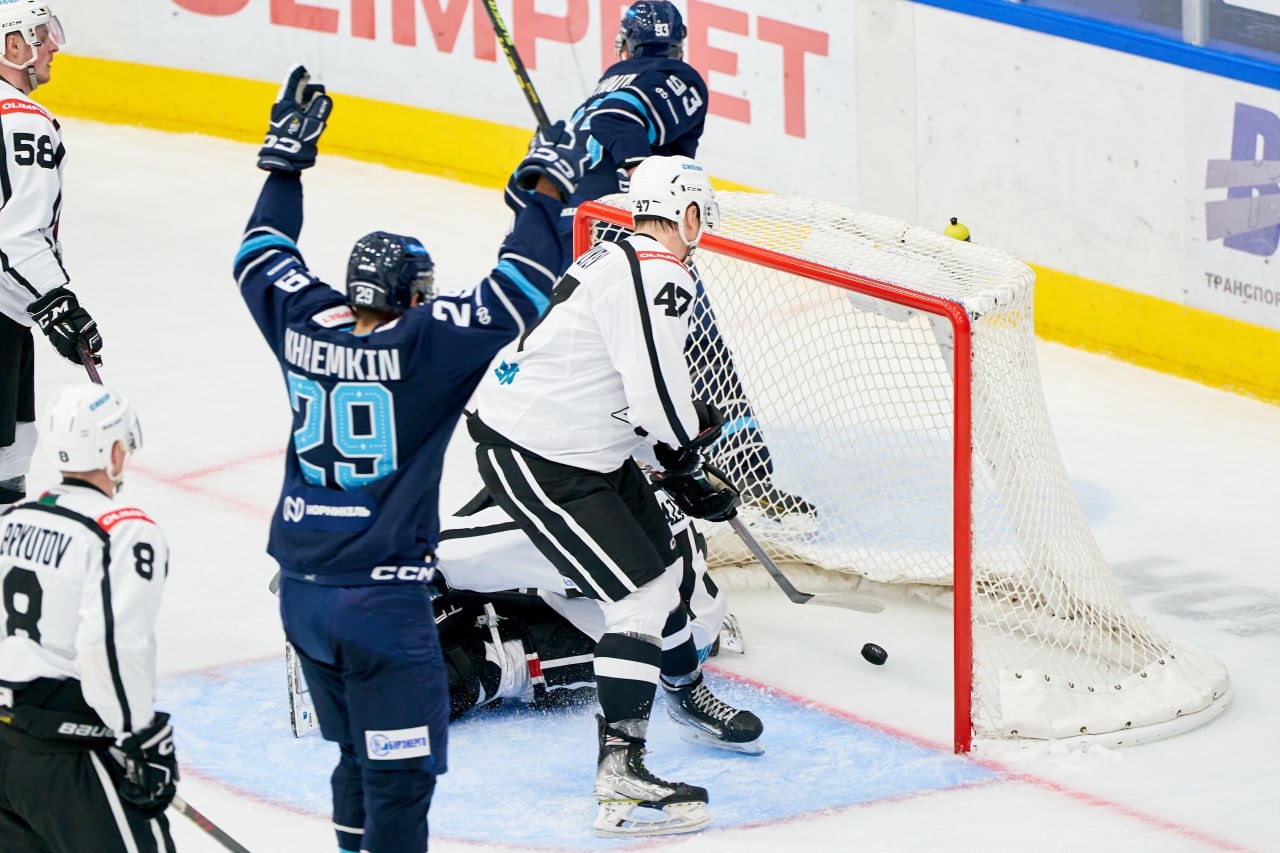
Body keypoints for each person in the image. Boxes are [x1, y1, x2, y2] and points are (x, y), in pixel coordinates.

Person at [235, 65, 580, 853]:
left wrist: (285, 162)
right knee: (401, 778)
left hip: (302, 595)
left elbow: (260, 251)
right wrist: (547, 193)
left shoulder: (305, 322)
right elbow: (523, 284)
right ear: (415, 296)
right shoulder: (424, 345)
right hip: (382, 609)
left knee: (355, 757)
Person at [468, 154, 762, 838]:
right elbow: (653, 393)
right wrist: (687, 461)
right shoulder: (664, 272)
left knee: (670, 565)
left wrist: (678, 448)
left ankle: (685, 692)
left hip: (576, 443)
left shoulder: (613, 255)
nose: (699, 235)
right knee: (638, 597)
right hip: (545, 453)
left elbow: (625, 384)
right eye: (698, 222)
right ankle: (621, 770)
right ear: (686, 214)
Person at [551, 0, 814, 521]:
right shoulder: (676, 75)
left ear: (625, 41)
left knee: (611, 360)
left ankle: (617, 477)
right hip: (630, 230)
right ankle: (746, 477)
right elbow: (618, 120)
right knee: (697, 349)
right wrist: (642, 174)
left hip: (574, 236)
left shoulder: (603, 83)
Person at [0, 383, 179, 852]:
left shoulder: (12, 519)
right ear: (115, 450)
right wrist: (142, 736)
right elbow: (113, 646)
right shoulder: (121, 532)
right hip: (65, 755)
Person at [435, 486, 748, 728]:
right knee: (458, 606)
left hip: (649, 639)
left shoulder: (578, 507)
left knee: (470, 666)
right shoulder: (611, 468)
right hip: (649, 608)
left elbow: (438, 556)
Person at [0, 2, 103, 507]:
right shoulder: (23, 121)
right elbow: (15, 234)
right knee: (7, 452)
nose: (54, 46)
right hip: (2, 309)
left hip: (9, 310)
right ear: (12, 47)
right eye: (42, 35)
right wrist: (57, 301)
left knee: (14, 445)